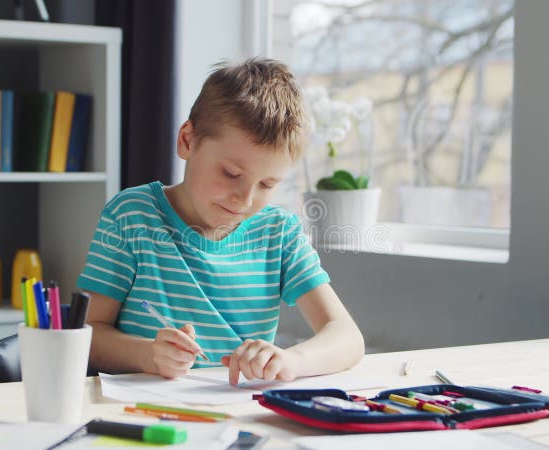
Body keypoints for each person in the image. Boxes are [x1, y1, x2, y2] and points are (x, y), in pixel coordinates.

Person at [78, 57, 364, 385]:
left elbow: (347, 337)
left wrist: (292, 360)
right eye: (231, 173)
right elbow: (87, 334)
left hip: (239, 414)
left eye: (267, 185)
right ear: (187, 140)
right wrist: (147, 355)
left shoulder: (279, 232)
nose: (244, 199)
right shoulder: (132, 215)